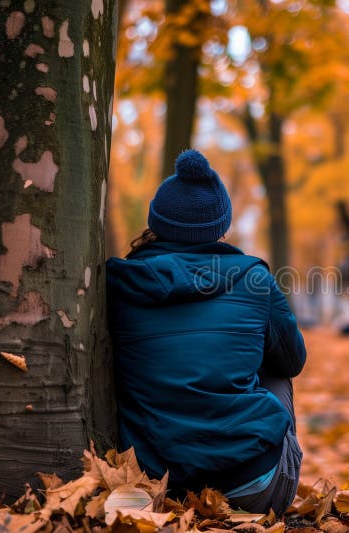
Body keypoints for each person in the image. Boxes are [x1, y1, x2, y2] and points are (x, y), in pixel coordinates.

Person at [106, 150, 306, 515]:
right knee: (277, 369)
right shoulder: (254, 277)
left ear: (157, 221)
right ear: (220, 226)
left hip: (156, 483)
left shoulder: (120, 282)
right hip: (253, 485)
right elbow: (294, 360)